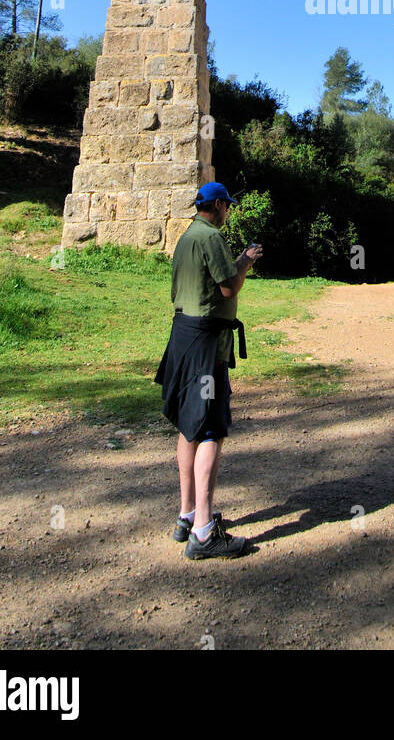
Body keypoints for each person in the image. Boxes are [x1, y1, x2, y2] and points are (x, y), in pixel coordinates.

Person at [154, 181, 263, 561]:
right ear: (216, 206)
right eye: (227, 206)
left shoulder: (186, 237)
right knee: (211, 430)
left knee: (189, 426)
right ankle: (203, 532)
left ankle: (187, 515)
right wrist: (246, 262)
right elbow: (229, 289)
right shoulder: (213, 237)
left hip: (182, 337)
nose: (228, 211)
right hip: (205, 347)